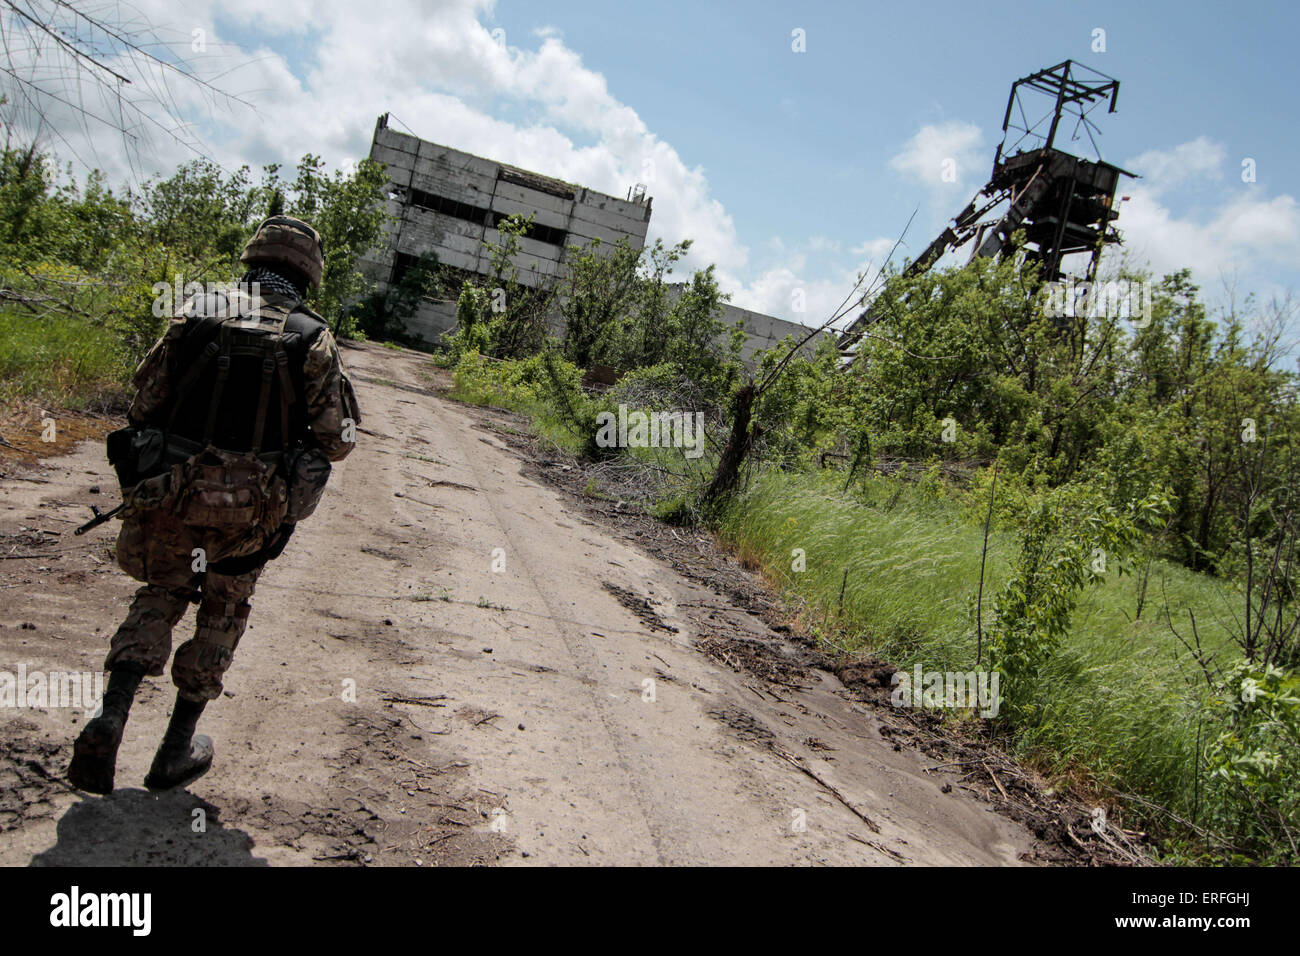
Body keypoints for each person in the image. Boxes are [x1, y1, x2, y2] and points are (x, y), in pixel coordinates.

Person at [68, 215, 360, 794]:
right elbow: (339, 440)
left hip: (170, 497)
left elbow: (144, 404)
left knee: (159, 592)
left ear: (253, 259)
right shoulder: (310, 337)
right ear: (307, 273)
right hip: (249, 516)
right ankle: (175, 752)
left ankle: (110, 718)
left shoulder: (194, 310)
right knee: (223, 610)